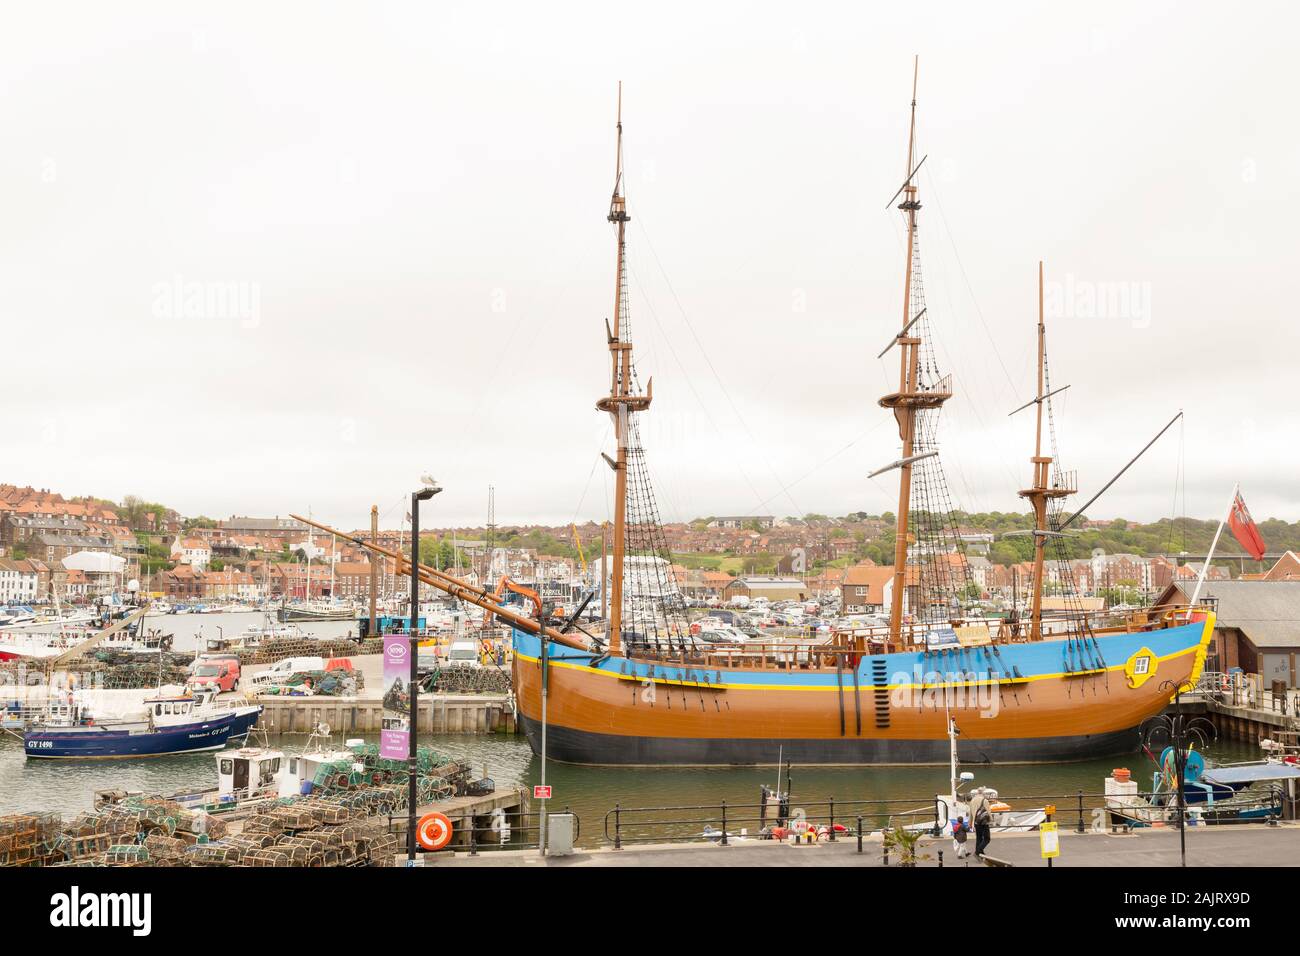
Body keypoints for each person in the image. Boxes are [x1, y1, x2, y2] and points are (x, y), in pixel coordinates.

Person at [969, 789, 993, 857]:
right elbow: (988, 811)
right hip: (983, 822)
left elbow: (970, 813)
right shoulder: (984, 801)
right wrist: (991, 820)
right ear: (982, 793)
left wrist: (970, 822)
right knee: (987, 838)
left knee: (979, 838)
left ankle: (980, 853)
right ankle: (977, 851)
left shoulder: (972, 800)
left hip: (976, 822)